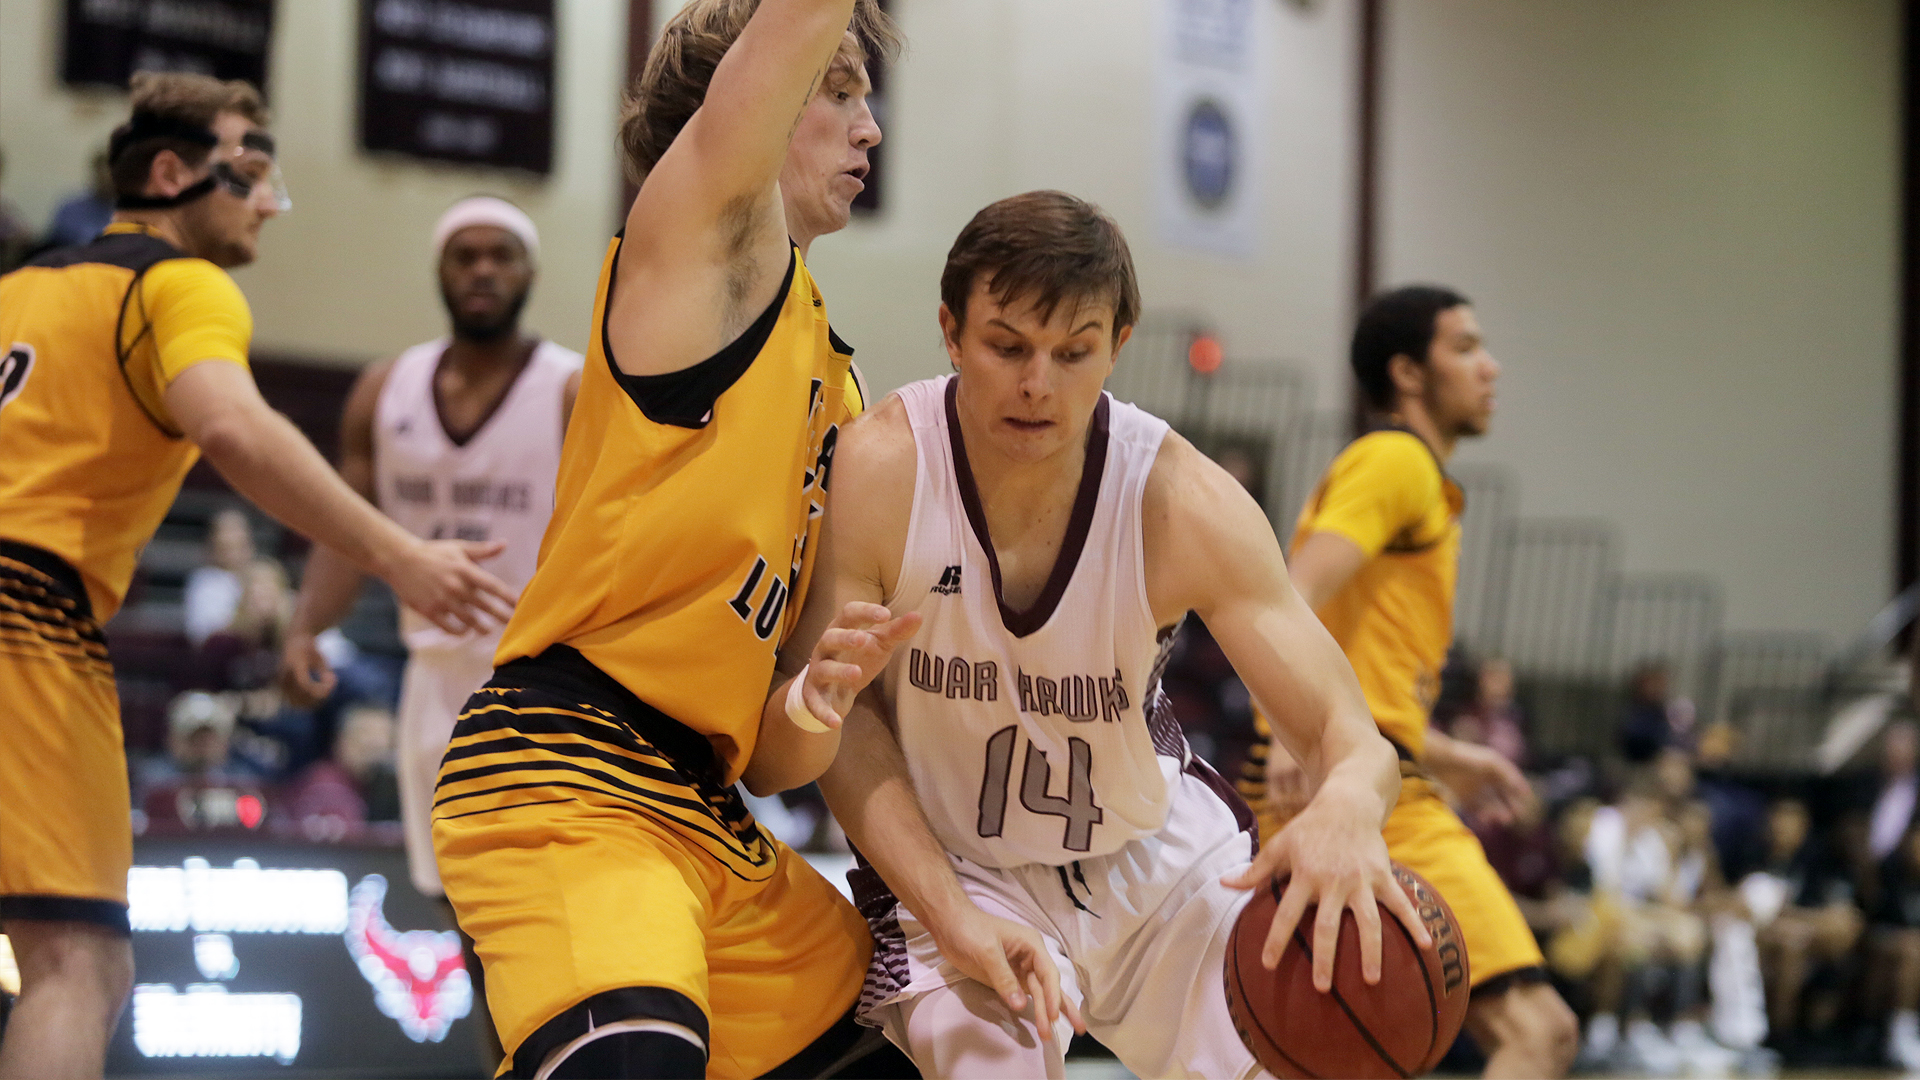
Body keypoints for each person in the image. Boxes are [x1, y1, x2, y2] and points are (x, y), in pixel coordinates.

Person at [808, 191, 1420, 1080]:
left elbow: (1348, 737)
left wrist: (1348, 808)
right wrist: (948, 914)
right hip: (961, 866)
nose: (1036, 384)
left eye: (1073, 352)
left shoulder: (1183, 503)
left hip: (1156, 867)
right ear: (950, 330)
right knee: (989, 1067)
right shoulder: (882, 469)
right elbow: (843, 720)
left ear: (1118, 346)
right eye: (1007, 345)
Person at [0, 72, 514, 1078]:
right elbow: (234, 427)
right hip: (24, 611)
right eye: (245, 168)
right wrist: (398, 554)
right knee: (81, 963)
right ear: (168, 172)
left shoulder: (16, 290)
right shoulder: (177, 284)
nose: (263, 199)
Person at [428, 4, 909, 1077]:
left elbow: (780, 756)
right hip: (567, 775)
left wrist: (817, 704)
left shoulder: (841, 386)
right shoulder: (702, 248)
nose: (869, 127)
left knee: (902, 1054)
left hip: (708, 813)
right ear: (758, 96)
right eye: (838, 91)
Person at [1262, 286, 1579, 1077]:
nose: (1491, 366)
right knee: (1538, 1032)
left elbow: (1355, 668)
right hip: (1362, 795)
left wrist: (1446, 752)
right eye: (1466, 347)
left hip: (1369, 769)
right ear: (1408, 371)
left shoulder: (1416, 479)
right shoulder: (1395, 459)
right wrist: (1282, 729)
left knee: (1342, 1057)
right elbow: (1284, 597)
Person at [279, 195, 582, 901]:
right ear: (440, 270)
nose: (482, 270)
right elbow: (346, 530)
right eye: (465, 255)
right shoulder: (385, 389)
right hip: (432, 679)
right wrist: (305, 627)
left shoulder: (571, 388)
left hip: (539, 682)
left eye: (500, 256)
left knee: (534, 908)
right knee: (458, 908)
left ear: (529, 273)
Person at [42, 150, 115, 251]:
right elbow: (51, 248)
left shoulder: (131, 212)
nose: (107, 179)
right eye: (102, 173)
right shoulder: (70, 210)